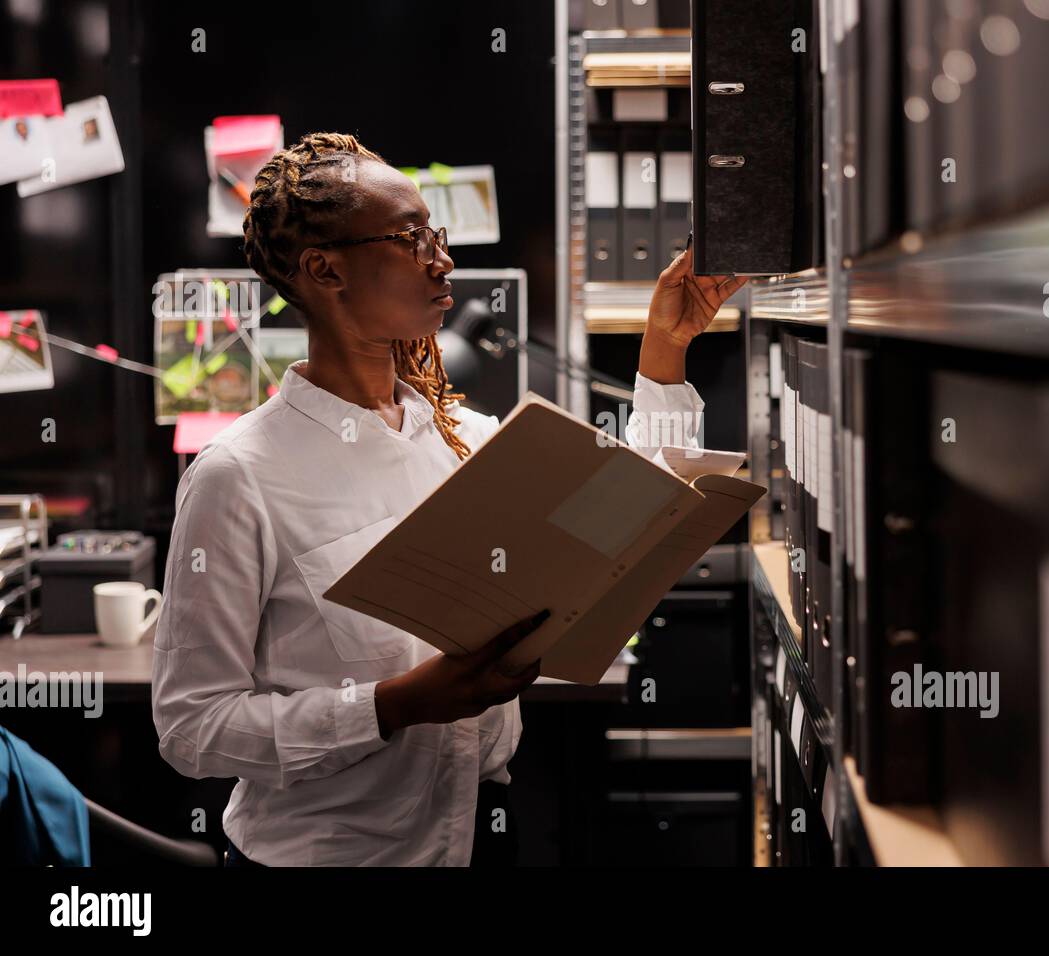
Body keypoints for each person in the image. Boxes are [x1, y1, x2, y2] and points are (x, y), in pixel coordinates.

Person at [150, 132, 747, 866]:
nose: (442, 259)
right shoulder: (237, 475)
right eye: (411, 239)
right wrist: (392, 705)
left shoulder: (466, 436)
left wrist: (664, 345)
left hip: (479, 838)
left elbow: (631, 517)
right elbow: (190, 728)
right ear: (324, 268)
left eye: (435, 233)